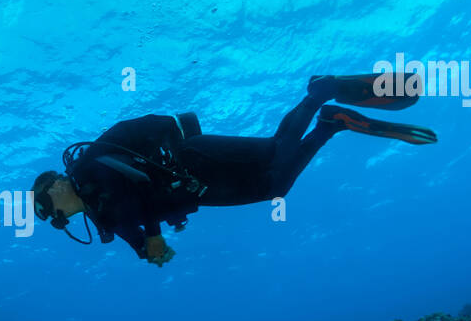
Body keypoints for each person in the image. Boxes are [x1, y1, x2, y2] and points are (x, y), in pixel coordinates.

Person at [31, 73, 437, 265]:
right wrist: (144, 249)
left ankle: (321, 93)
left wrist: (152, 236)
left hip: (192, 158)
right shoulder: (99, 207)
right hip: (198, 191)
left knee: (278, 151)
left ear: (53, 188)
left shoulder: (87, 167)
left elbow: (134, 189)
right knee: (275, 186)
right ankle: (330, 124)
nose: (59, 219)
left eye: (50, 211)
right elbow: (126, 222)